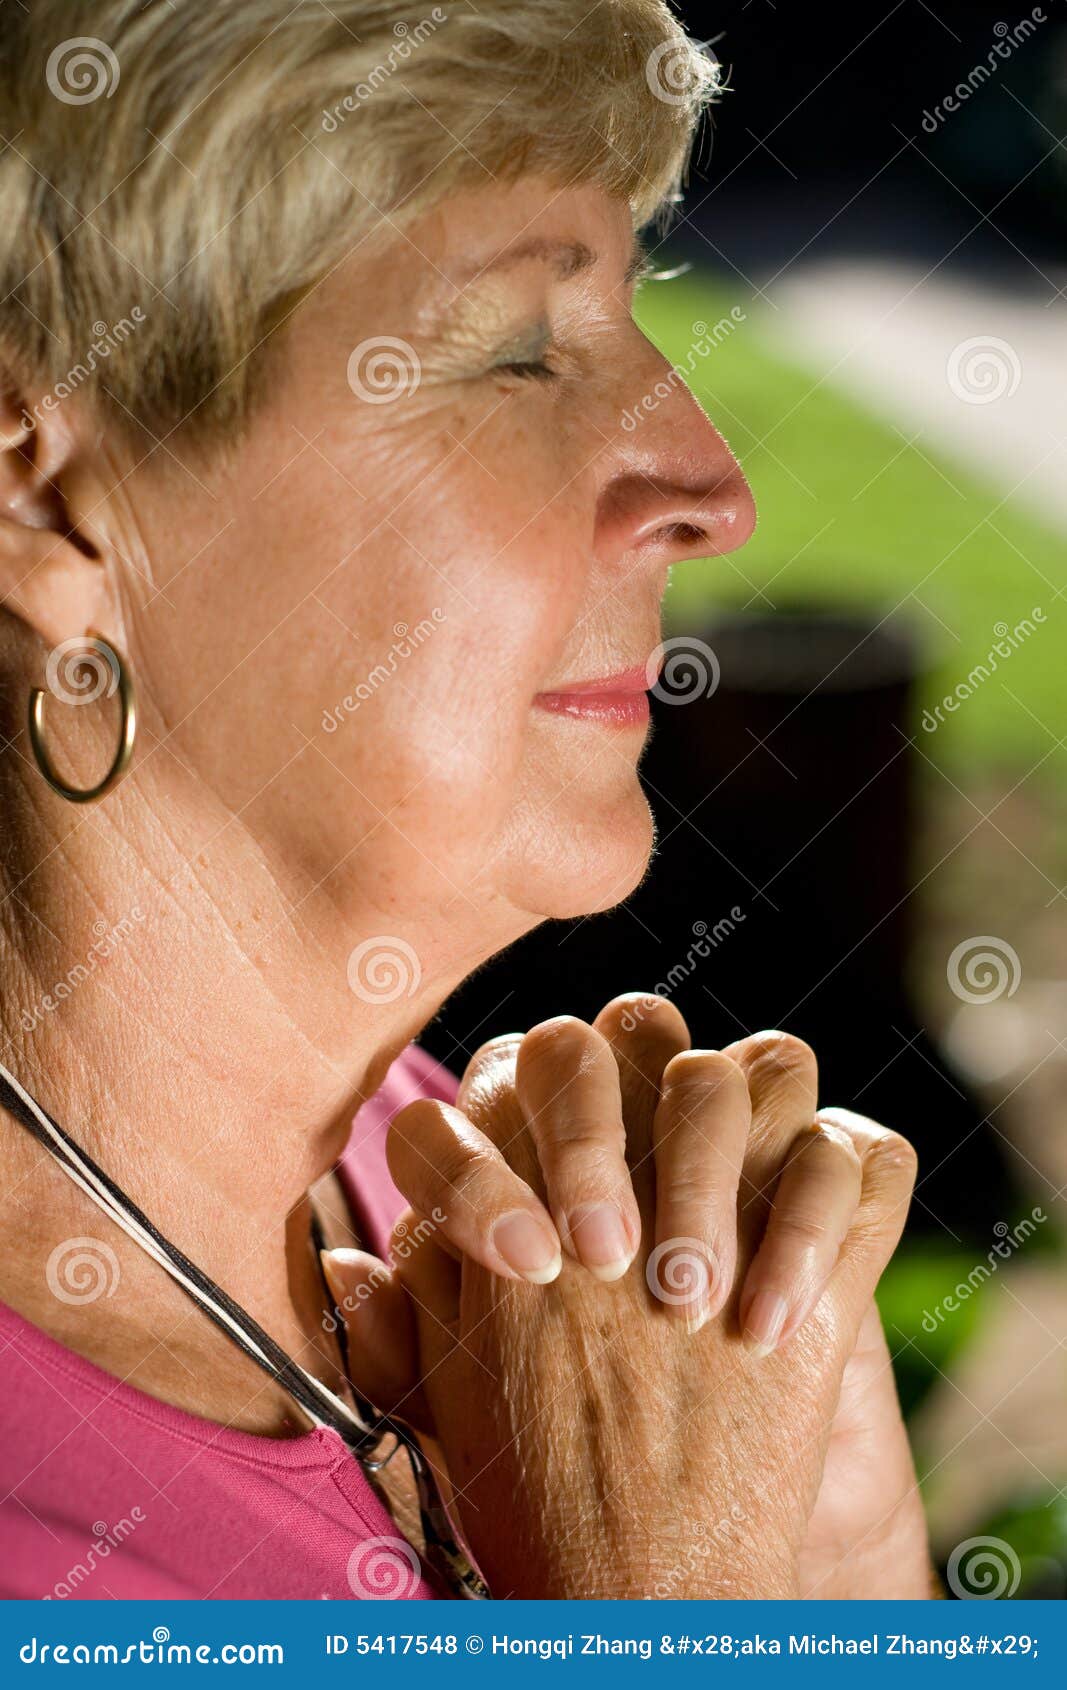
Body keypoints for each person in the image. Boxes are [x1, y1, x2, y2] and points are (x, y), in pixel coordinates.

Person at [0, 0, 932, 1598]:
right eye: (517, 350)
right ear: (41, 496)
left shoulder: (403, 1159)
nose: (711, 484)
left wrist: (826, 1549)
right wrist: (671, 1601)